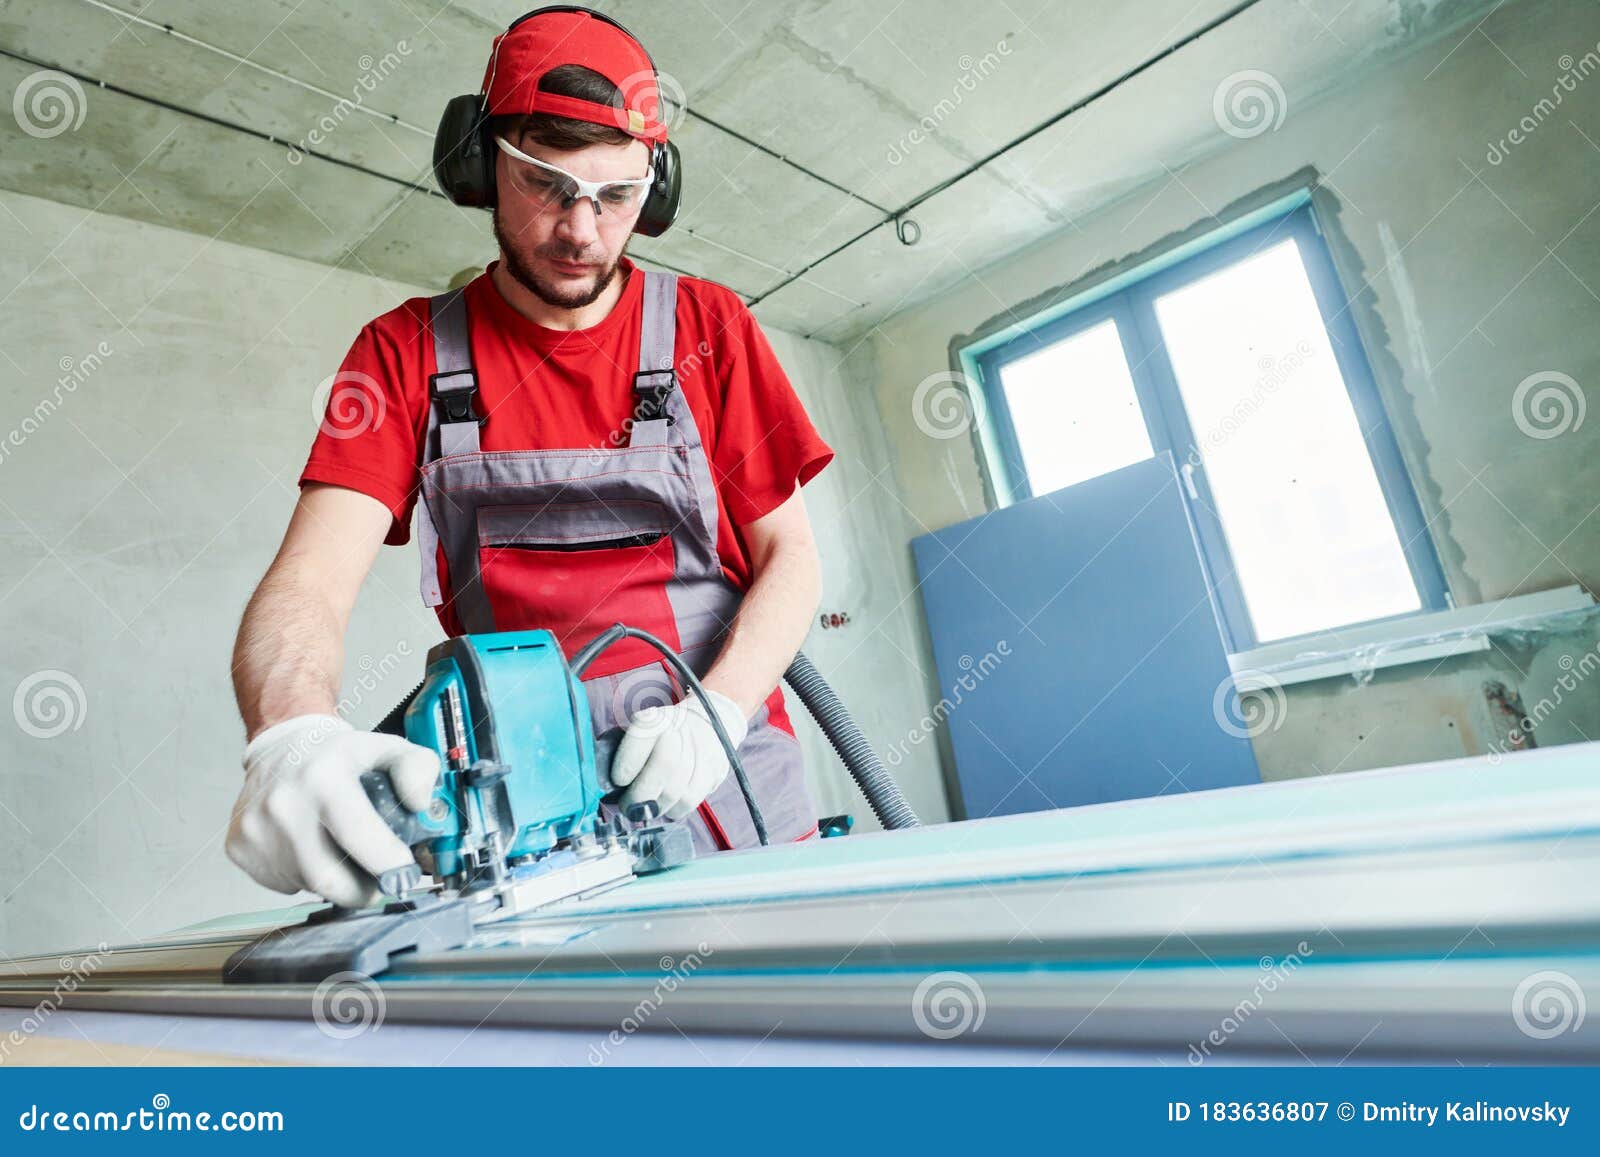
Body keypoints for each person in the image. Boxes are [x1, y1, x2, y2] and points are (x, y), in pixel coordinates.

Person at [225, 6, 834, 909]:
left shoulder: (712, 328)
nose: (583, 229)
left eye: (617, 195)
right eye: (547, 186)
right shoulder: (405, 355)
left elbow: (793, 560)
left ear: (654, 192)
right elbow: (308, 581)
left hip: (726, 776)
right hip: (521, 812)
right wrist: (292, 733)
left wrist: (720, 714)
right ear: (478, 164)